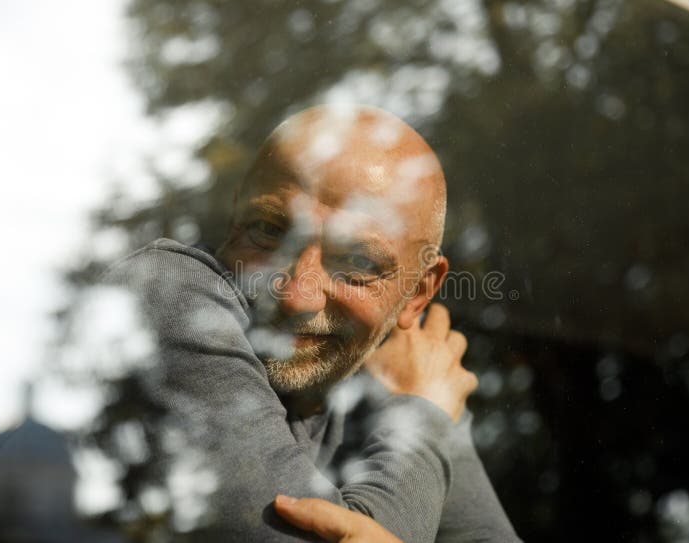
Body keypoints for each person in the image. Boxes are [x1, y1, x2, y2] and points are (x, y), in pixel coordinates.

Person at [104, 104, 520, 542]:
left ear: (416, 293)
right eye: (268, 229)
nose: (297, 295)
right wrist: (421, 423)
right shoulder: (170, 289)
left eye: (358, 261)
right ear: (234, 217)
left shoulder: (401, 376)